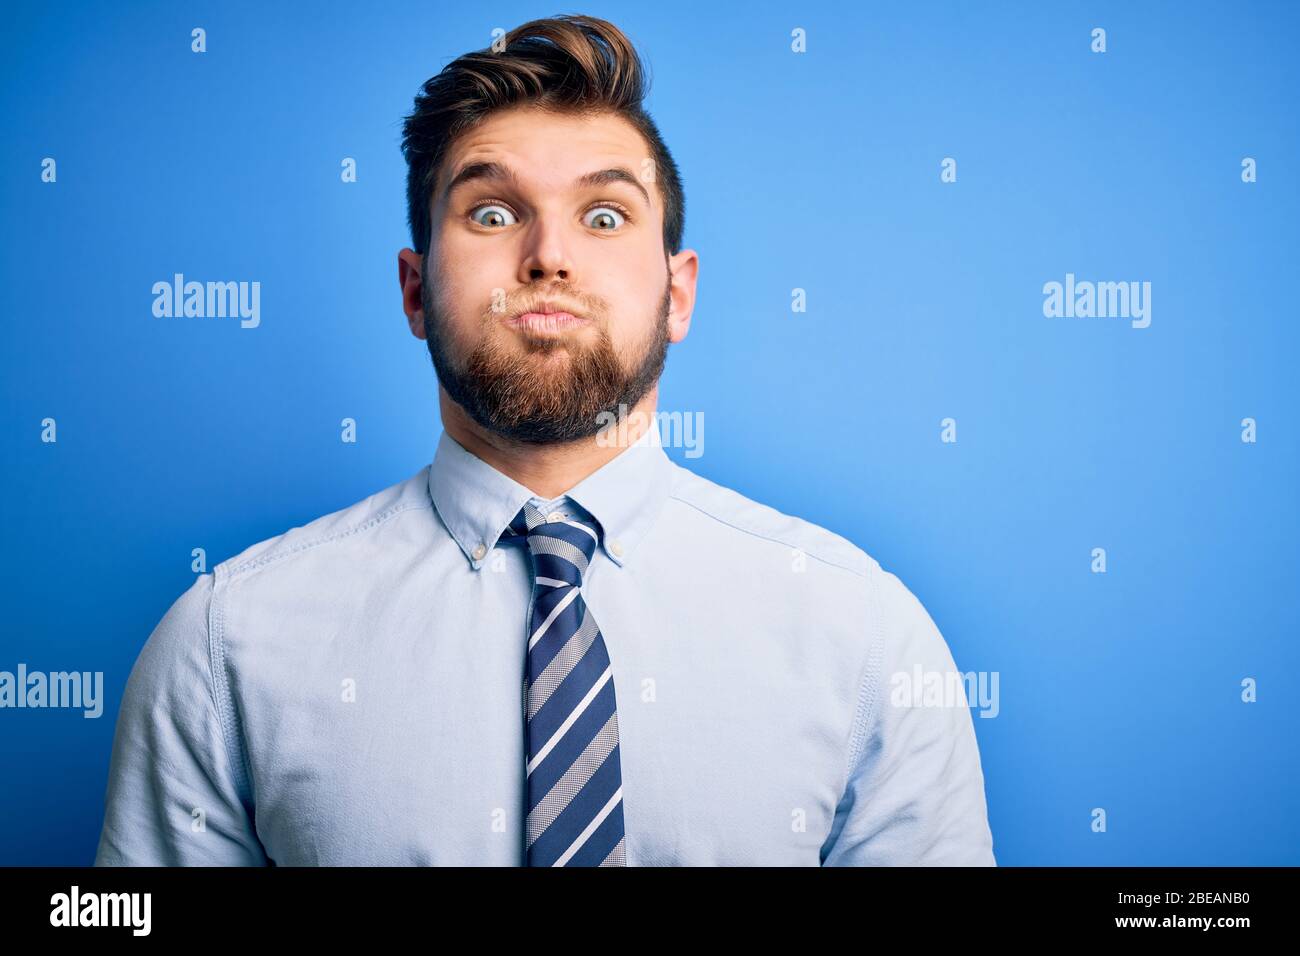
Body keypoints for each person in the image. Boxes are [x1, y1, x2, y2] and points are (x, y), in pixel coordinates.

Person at [94, 14, 995, 867]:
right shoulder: (225, 645)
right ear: (414, 291)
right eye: (491, 212)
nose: (548, 255)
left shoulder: (866, 638)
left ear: (678, 294)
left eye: (605, 216)